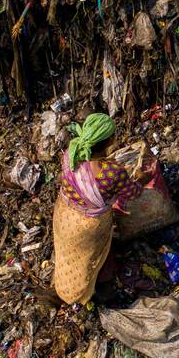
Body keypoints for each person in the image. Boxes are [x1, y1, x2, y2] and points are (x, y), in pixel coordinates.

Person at [51, 111, 150, 305]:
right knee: (93, 258)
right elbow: (133, 193)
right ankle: (90, 291)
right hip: (88, 226)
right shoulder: (112, 173)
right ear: (108, 141)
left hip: (65, 214)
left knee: (68, 253)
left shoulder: (71, 153)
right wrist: (141, 178)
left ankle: (64, 286)